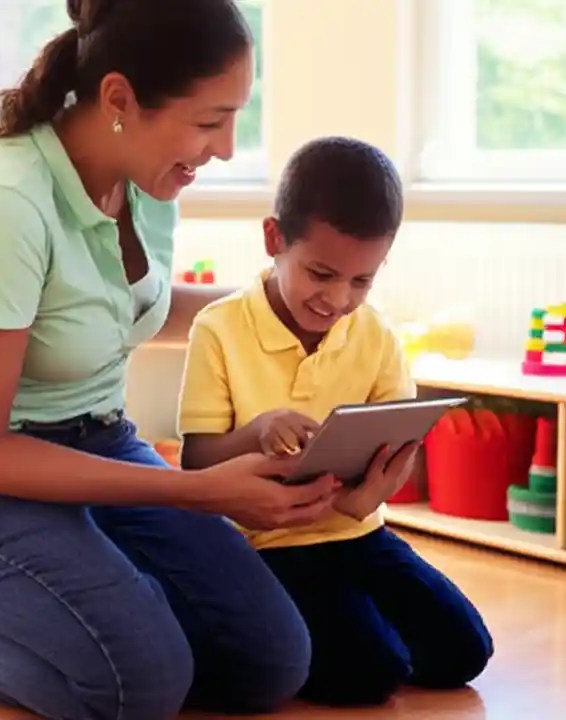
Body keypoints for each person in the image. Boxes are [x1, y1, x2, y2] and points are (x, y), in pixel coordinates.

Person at [0, 2, 374, 718]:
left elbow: (123, 303)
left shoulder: (147, 183)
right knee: (136, 687)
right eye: (209, 122)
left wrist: (284, 306)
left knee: (270, 661)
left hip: (95, 442)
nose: (228, 147)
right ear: (119, 99)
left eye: (236, 117)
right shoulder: (1, 205)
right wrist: (205, 491)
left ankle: (88, 598)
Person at [177, 136, 494, 707]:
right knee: (367, 676)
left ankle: (358, 628)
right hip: (265, 544)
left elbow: (398, 453)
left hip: (356, 533)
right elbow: (195, 462)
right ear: (275, 239)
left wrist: (371, 493)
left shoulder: (376, 335)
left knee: (464, 653)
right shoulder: (218, 328)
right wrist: (258, 431)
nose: (337, 299)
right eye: (320, 273)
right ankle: (341, 636)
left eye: (360, 281)